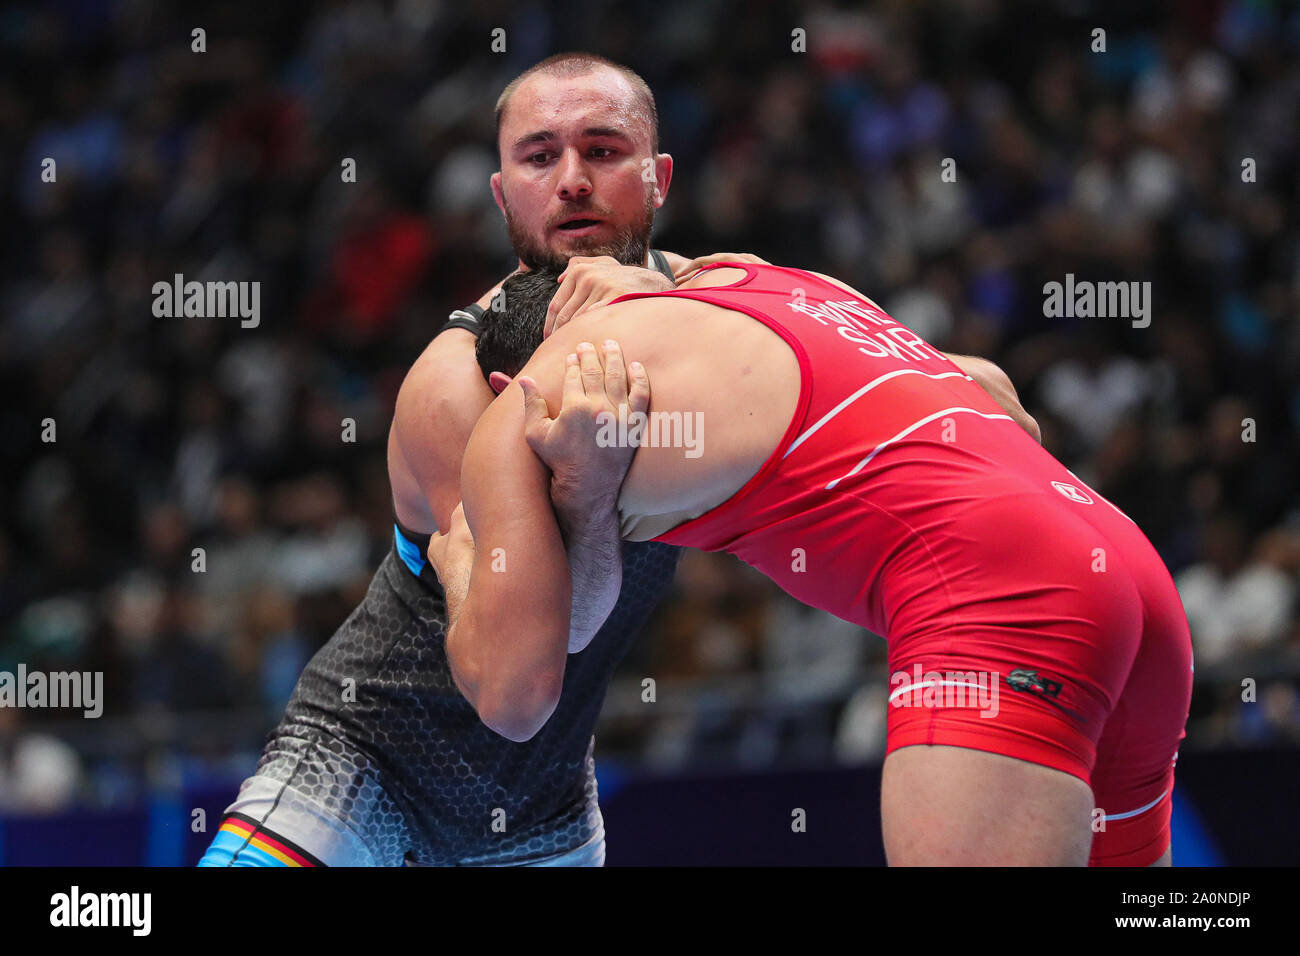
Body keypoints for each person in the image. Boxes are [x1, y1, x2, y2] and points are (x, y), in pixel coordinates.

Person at [199, 51, 1031, 867]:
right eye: (538, 156)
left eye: (602, 150)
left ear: (660, 177)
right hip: (361, 765)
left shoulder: (719, 301)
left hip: (544, 806)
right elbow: (520, 675)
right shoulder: (457, 386)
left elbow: (983, 391)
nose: (571, 180)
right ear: (500, 194)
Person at [432, 259, 1193, 867]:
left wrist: (459, 564)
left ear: (504, 384)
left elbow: (518, 691)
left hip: (1000, 596)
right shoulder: (753, 277)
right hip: (1122, 566)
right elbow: (999, 396)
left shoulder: (526, 409)